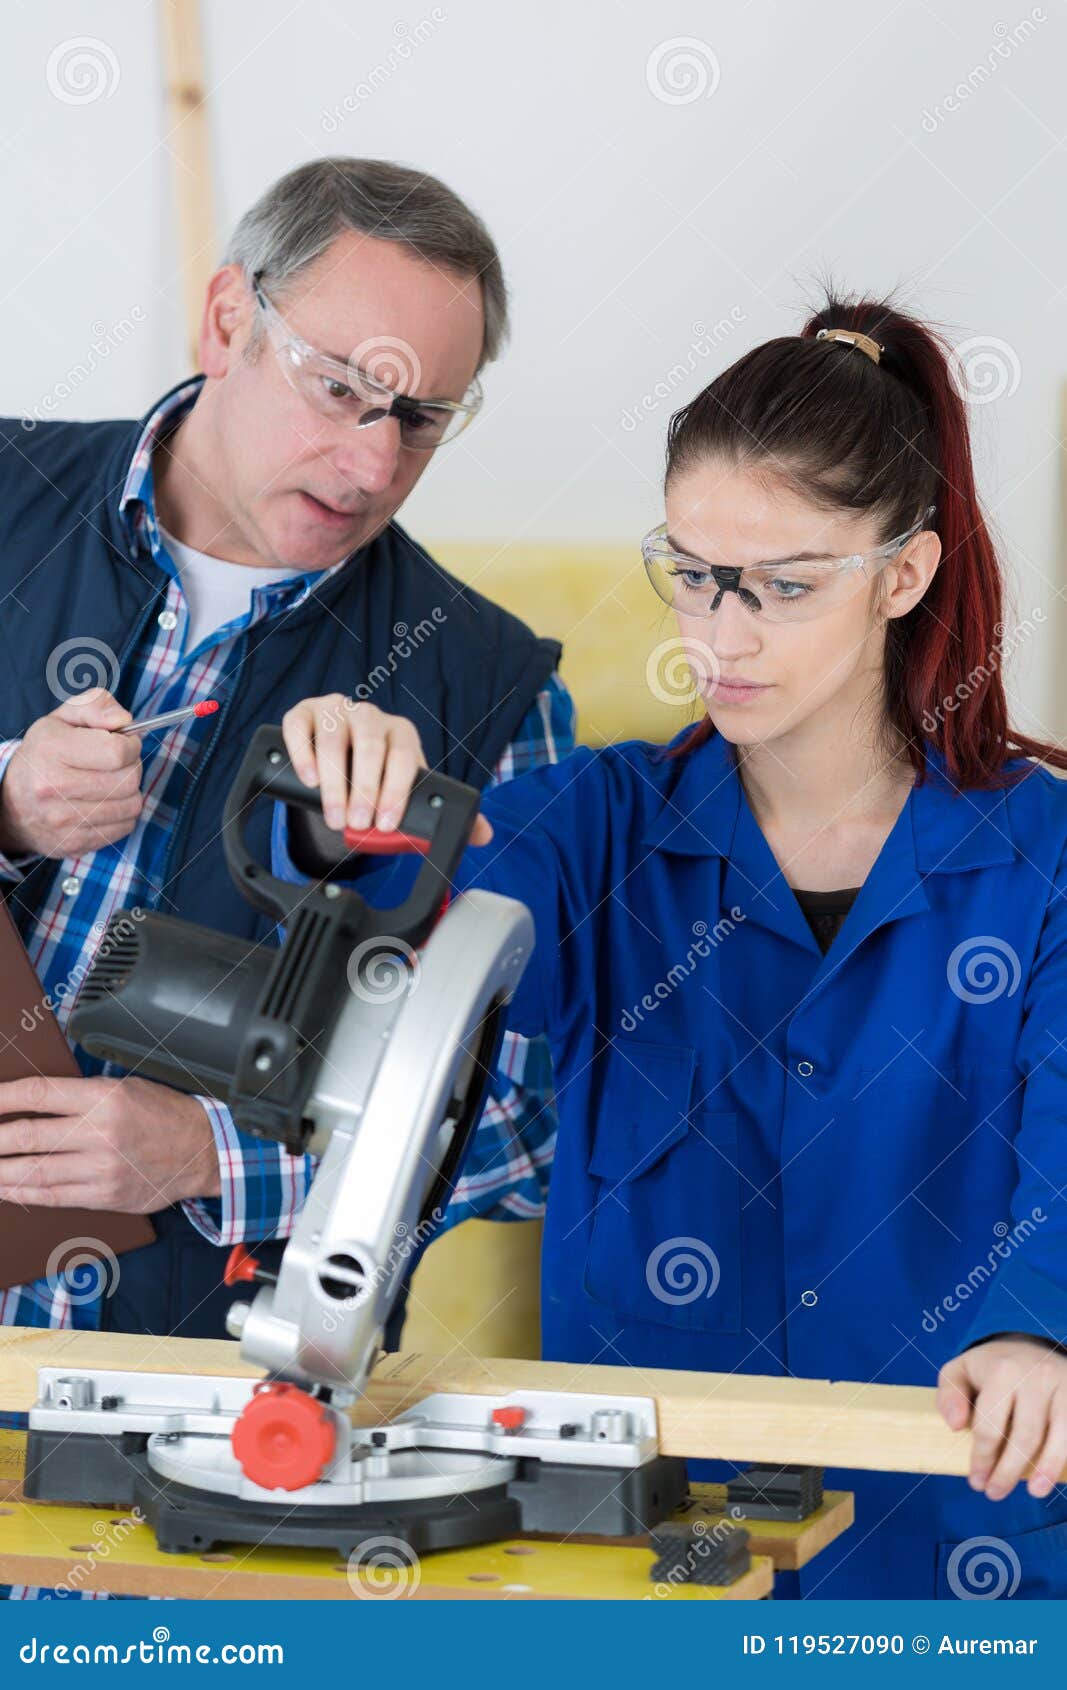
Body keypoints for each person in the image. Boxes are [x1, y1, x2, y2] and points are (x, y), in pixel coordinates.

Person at [276, 296, 1067, 1600]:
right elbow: (407, 902)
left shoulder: (1038, 859)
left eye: (782, 585)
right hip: (658, 1540)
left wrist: (1038, 1325)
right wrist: (340, 804)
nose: (720, 632)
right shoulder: (599, 827)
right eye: (692, 573)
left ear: (904, 574)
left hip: (948, 1543)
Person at [0, 161, 570, 1419]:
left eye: (419, 418)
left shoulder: (487, 689)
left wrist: (210, 1152)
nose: (370, 463)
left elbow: (527, 1117)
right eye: (341, 388)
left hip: (207, 1425)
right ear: (224, 321)